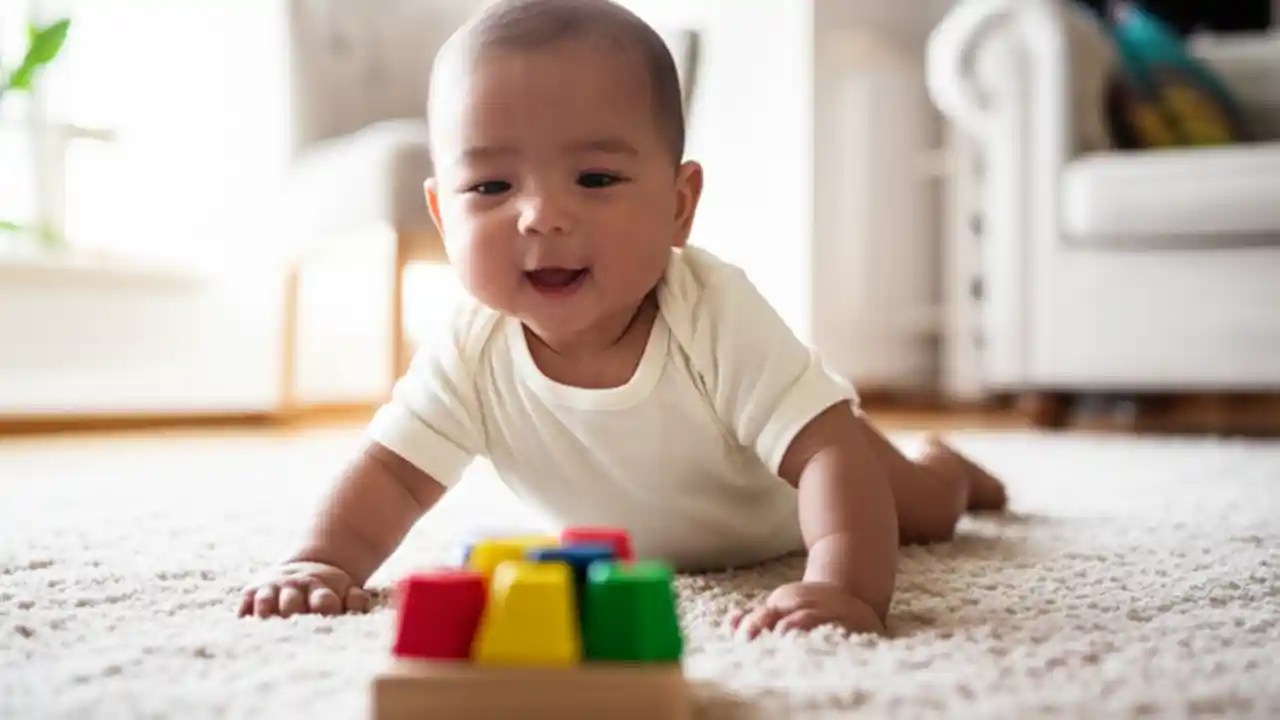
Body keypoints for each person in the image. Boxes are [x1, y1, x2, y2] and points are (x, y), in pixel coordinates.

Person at [239, 0, 1007, 638]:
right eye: (493, 186)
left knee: (926, 511)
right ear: (442, 215)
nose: (541, 217)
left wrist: (843, 586)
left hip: (787, 495)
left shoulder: (711, 311)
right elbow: (393, 476)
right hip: (670, 531)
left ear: (679, 206)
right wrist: (321, 561)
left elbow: (828, 457)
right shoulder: (470, 347)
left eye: (595, 177)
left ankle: (946, 466)